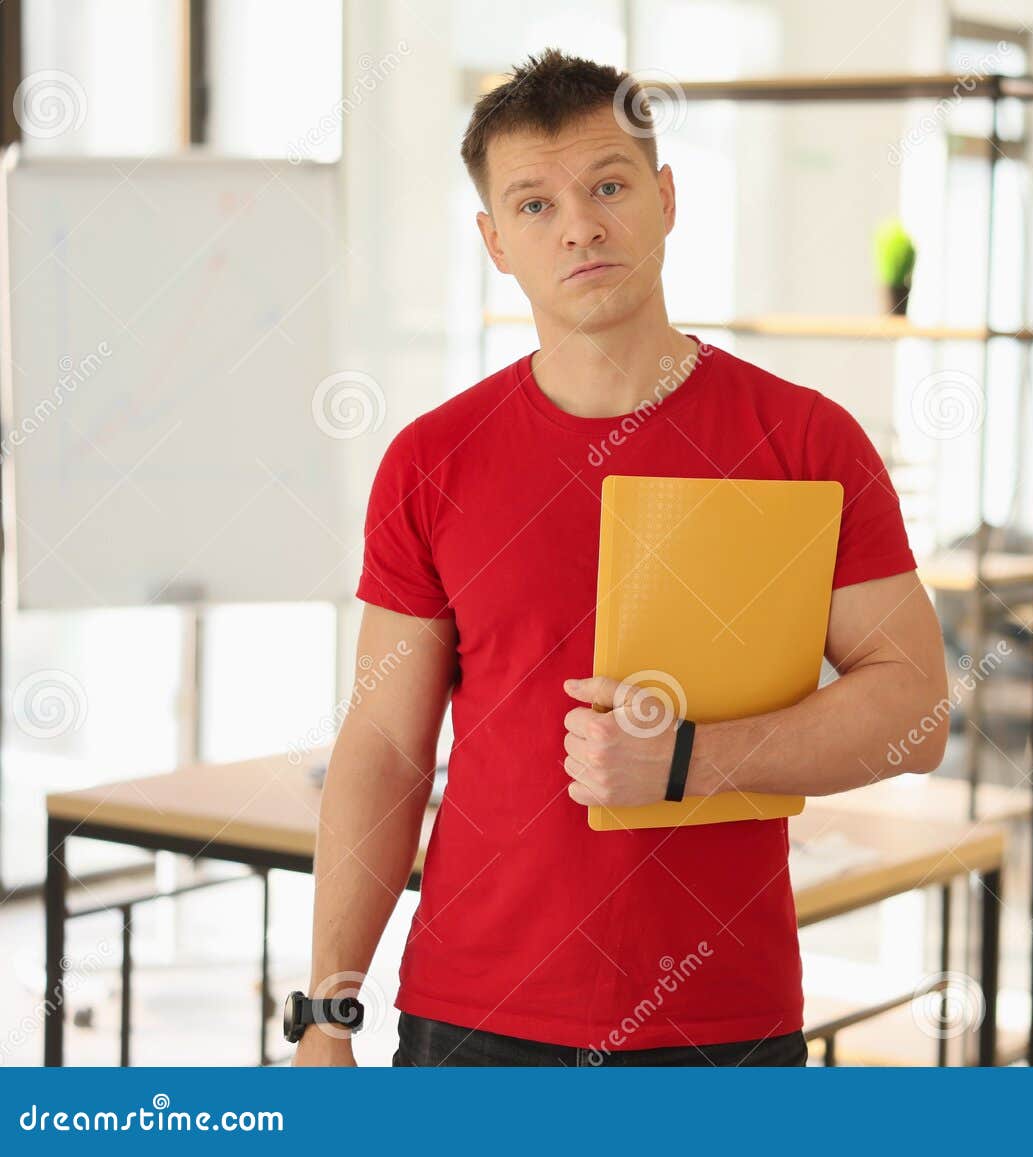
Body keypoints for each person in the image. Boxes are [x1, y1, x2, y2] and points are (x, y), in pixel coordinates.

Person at [293, 47, 949, 1068]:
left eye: (608, 185)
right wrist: (326, 1009)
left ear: (665, 197)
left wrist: (687, 758)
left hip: (720, 1022)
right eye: (534, 204)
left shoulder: (806, 442)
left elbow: (915, 710)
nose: (581, 226)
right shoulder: (432, 459)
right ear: (494, 241)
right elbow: (382, 745)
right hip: (473, 1015)